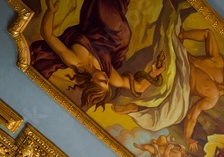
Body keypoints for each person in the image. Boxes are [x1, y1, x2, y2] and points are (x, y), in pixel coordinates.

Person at [30, 0, 164, 110]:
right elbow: (139, 87)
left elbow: (47, 35)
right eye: (107, 83)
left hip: (93, 20)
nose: (106, 79)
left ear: (92, 81)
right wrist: (153, 74)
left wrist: (51, 11)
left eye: (102, 81)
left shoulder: (75, 61)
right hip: (115, 36)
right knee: (114, 17)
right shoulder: (111, 75)